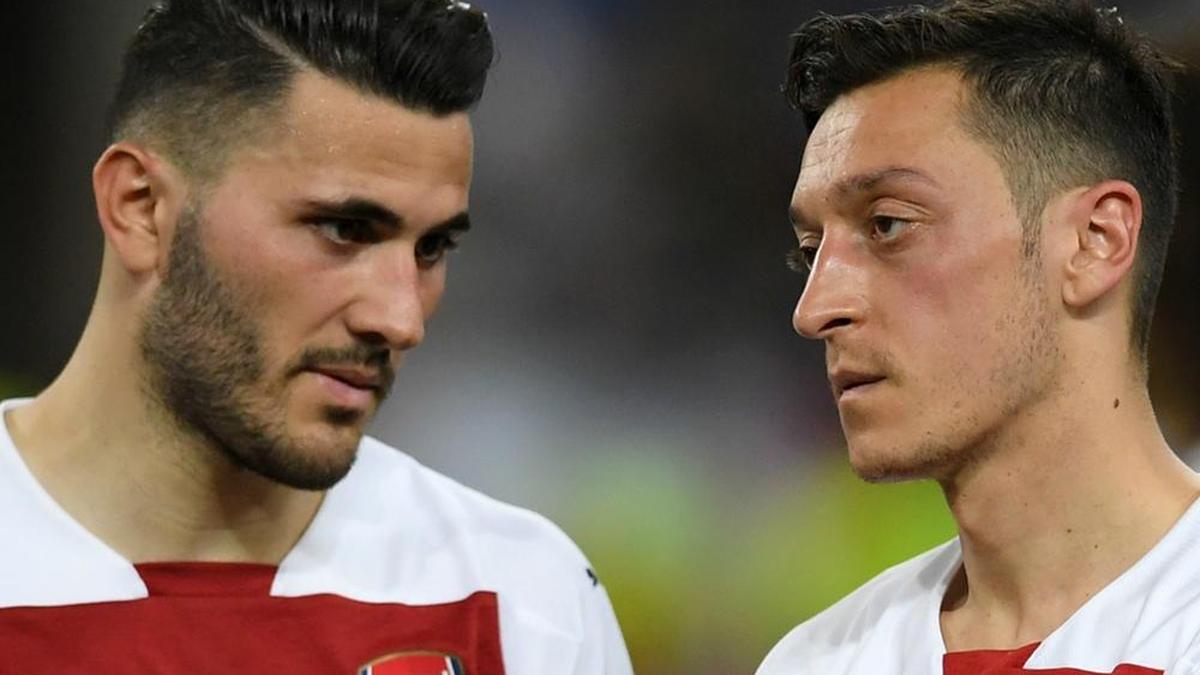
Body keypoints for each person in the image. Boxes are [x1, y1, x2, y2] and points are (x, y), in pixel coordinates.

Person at [0, 1, 633, 673]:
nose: (401, 320)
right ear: (142, 209)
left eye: (431, 248)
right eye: (343, 230)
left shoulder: (525, 604)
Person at [758, 1, 1200, 673]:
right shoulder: (814, 661)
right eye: (810, 251)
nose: (814, 309)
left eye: (887, 225)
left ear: (1095, 241)